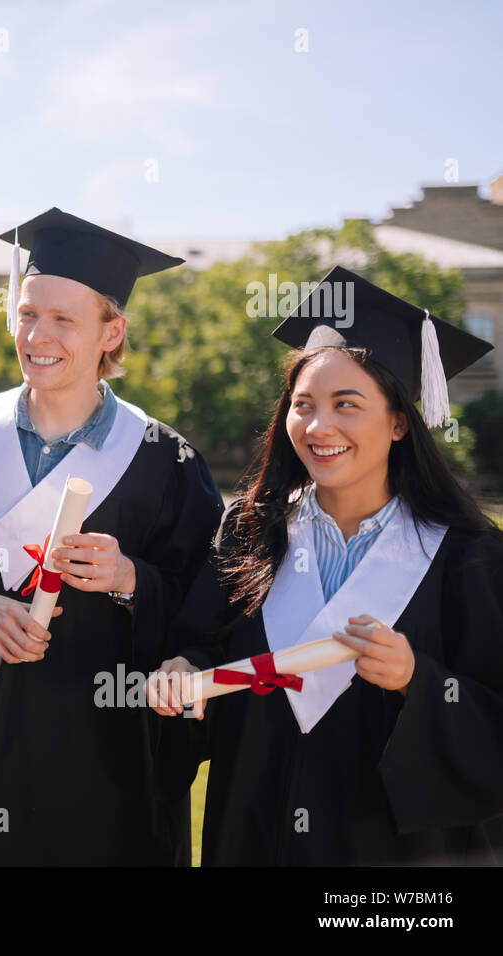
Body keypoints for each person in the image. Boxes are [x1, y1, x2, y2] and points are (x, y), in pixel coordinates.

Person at [0, 208, 224, 865]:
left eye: (65, 319)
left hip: (103, 765)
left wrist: (132, 580)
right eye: (28, 313)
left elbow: (206, 614)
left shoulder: (164, 461)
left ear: (111, 330)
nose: (38, 335)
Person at [149, 267, 503, 865]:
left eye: (347, 404)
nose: (319, 427)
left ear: (398, 422)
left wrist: (419, 680)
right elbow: (204, 657)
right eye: (302, 405)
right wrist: (183, 674)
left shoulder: (467, 556)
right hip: (253, 834)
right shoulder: (250, 532)